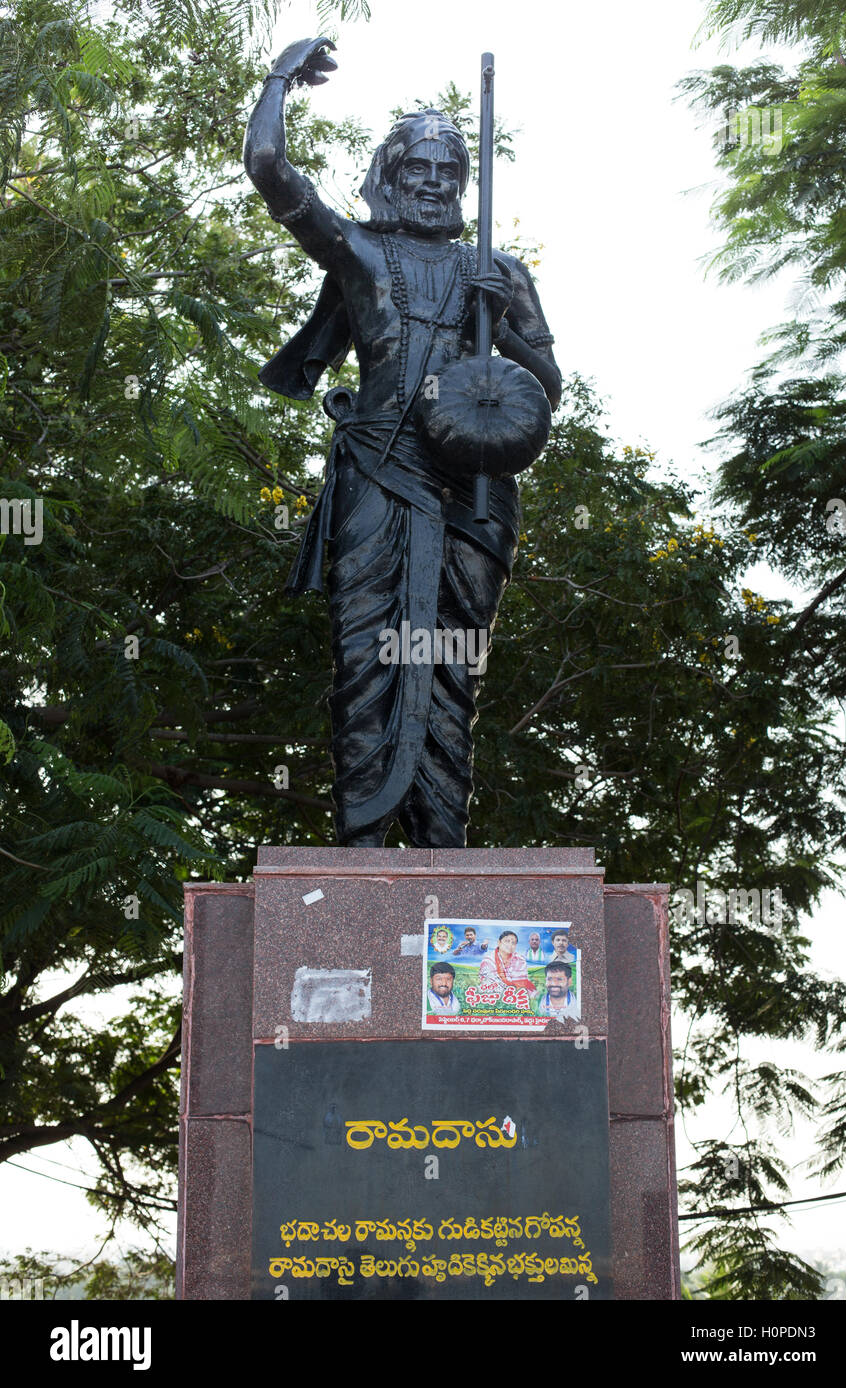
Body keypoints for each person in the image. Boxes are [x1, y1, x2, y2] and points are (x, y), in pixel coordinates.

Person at [244, 37, 561, 848]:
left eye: (447, 173)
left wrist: (512, 331)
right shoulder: (359, 251)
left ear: (463, 184)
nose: (431, 183)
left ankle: (442, 841)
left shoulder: (500, 270)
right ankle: (361, 842)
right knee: (366, 658)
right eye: (416, 168)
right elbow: (270, 167)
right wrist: (282, 77)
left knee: (454, 667)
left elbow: (545, 391)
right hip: (378, 475)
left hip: (469, 490)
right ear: (389, 173)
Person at [478, 930, 537, 998]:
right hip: (494, 995)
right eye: (507, 941)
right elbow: (487, 982)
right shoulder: (488, 961)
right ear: (499, 943)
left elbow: (521, 982)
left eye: (513, 943)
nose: (510, 945)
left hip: (516, 993)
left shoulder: (520, 960)